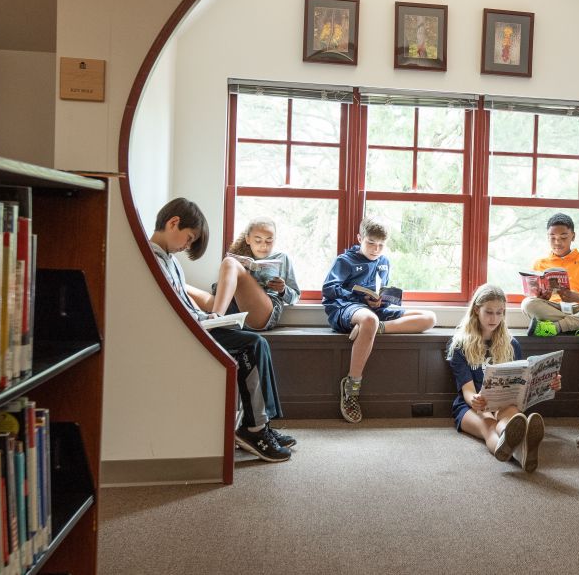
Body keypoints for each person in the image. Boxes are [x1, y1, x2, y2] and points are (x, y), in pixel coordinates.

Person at [148, 197, 294, 462]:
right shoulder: (152, 260)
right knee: (253, 344)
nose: (186, 246)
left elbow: (180, 297)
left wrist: (209, 315)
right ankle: (255, 429)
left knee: (255, 342)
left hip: (200, 321)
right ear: (173, 223)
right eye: (189, 238)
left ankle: (262, 425)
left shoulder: (168, 261)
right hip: (189, 329)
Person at [323, 217, 436, 423]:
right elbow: (329, 290)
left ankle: (376, 328)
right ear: (360, 238)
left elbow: (380, 291)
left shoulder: (384, 262)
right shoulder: (345, 261)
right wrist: (359, 296)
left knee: (429, 318)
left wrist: (379, 302)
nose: (376, 249)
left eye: (381, 245)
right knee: (368, 320)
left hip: (373, 312)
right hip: (346, 309)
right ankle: (351, 388)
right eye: (371, 243)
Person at [447, 284, 560, 472]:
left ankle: (521, 445)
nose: (494, 318)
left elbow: (520, 382)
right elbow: (467, 390)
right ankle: (521, 450)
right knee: (488, 426)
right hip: (471, 406)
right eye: (489, 312)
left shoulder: (510, 344)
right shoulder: (460, 344)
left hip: (503, 403)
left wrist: (549, 383)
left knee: (513, 417)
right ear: (477, 309)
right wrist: (475, 400)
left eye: (500, 313)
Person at [522, 213, 579, 336]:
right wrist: (542, 297)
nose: (557, 242)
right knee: (527, 304)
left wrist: (577, 297)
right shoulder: (540, 263)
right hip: (554, 308)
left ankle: (557, 327)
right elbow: (534, 298)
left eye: (563, 237)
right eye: (552, 237)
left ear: (573, 236)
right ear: (547, 237)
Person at [210, 217, 300, 330]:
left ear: (275, 239)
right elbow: (216, 291)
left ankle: (216, 318)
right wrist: (240, 277)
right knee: (187, 291)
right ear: (248, 239)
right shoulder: (239, 257)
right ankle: (216, 317)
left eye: (269, 240)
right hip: (235, 309)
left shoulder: (282, 258)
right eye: (258, 240)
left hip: (263, 314)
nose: (263, 245)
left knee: (229, 262)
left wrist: (283, 290)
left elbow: (295, 297)